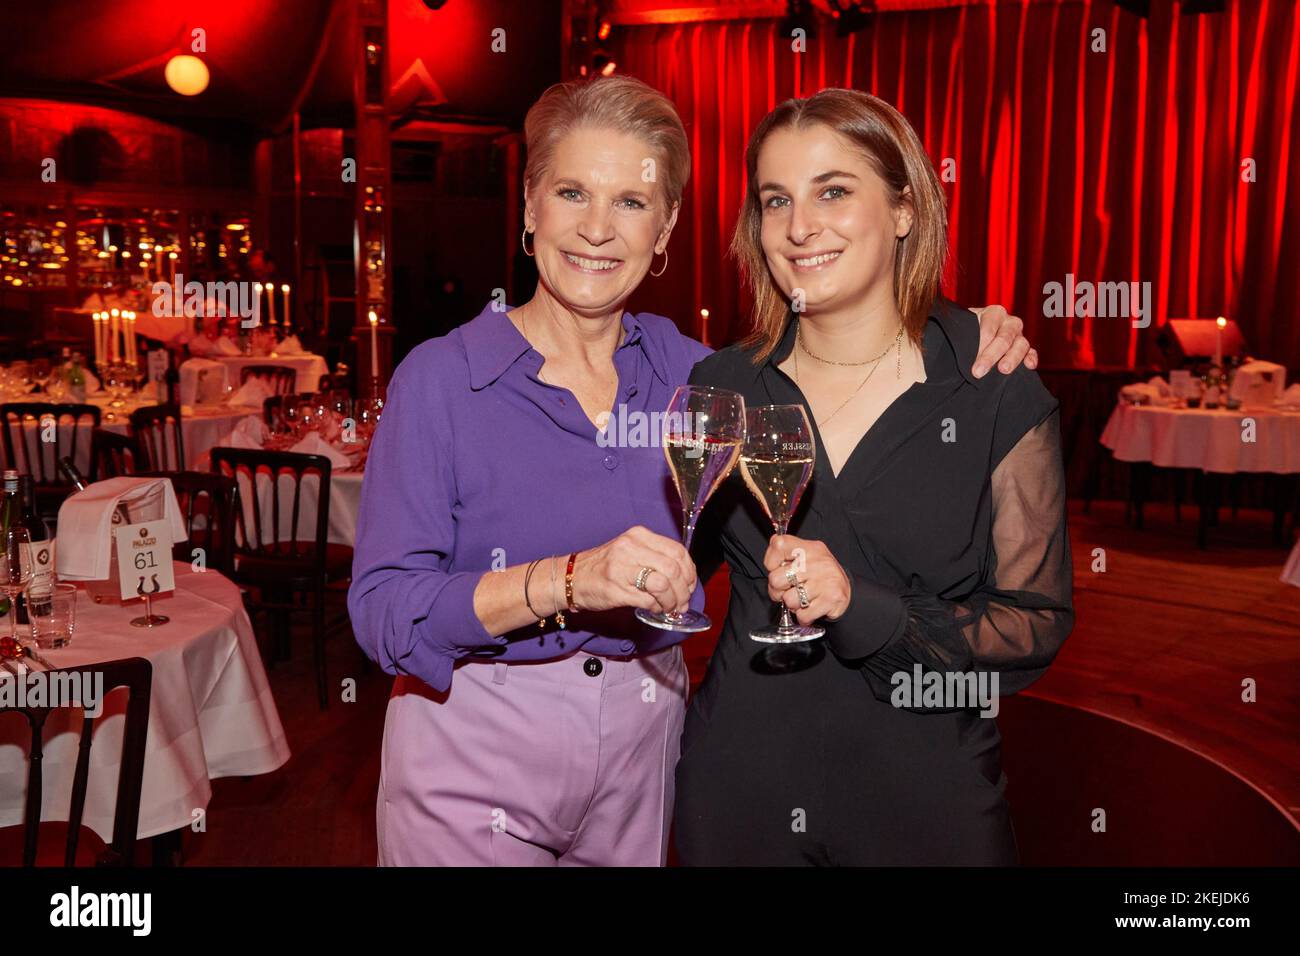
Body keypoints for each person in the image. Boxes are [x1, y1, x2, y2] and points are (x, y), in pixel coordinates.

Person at [348, 75, 1035, 867]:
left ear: (666, 224)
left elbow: (842, 354)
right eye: (572, 192)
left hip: (646, 738)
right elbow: (383, 613)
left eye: (633, 202)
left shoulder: (699, 377)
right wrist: (566, 580)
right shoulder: (443, 379)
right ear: (530, 207)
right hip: (476, 741)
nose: (598, 229)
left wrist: (959, 331)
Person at [674, 88, 1074, 865]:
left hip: (927, 796)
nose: (798, 227)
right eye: (775, 200)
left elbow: (1034, 622)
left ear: (903, 209)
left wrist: (869, 610)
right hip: (741, 787)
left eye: (833, 190)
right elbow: (684, 561)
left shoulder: (989, 384)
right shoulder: (723, 384)